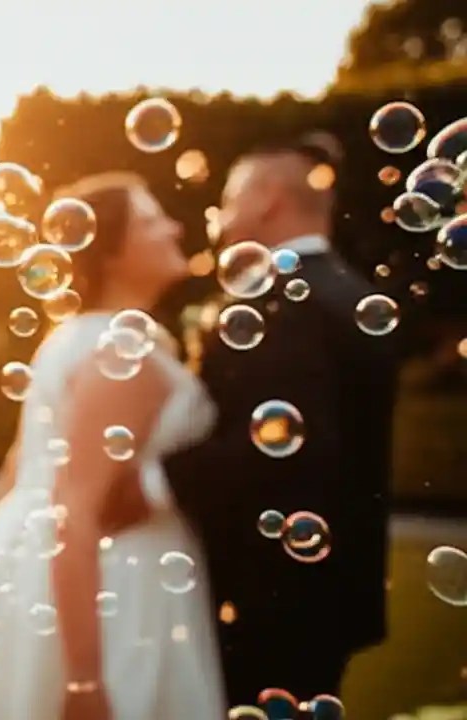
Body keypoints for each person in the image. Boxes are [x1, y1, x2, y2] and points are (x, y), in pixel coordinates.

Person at [0, 173, 226, 720]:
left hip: (33, 567)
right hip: (113, 583)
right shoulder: (124, 353)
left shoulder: (74, 336)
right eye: (149, 220)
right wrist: (83, 679)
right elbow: (75, 509)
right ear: (112, 253)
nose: (172, 227)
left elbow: (17, 475)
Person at [163, 133, 399, 705]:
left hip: (265, 597)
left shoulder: (282, 302)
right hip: (324, 593)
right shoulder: (348, 294)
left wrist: (151, 473)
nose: (221, 211)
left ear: (268, 197)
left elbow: (275, 448)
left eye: (231, 194)